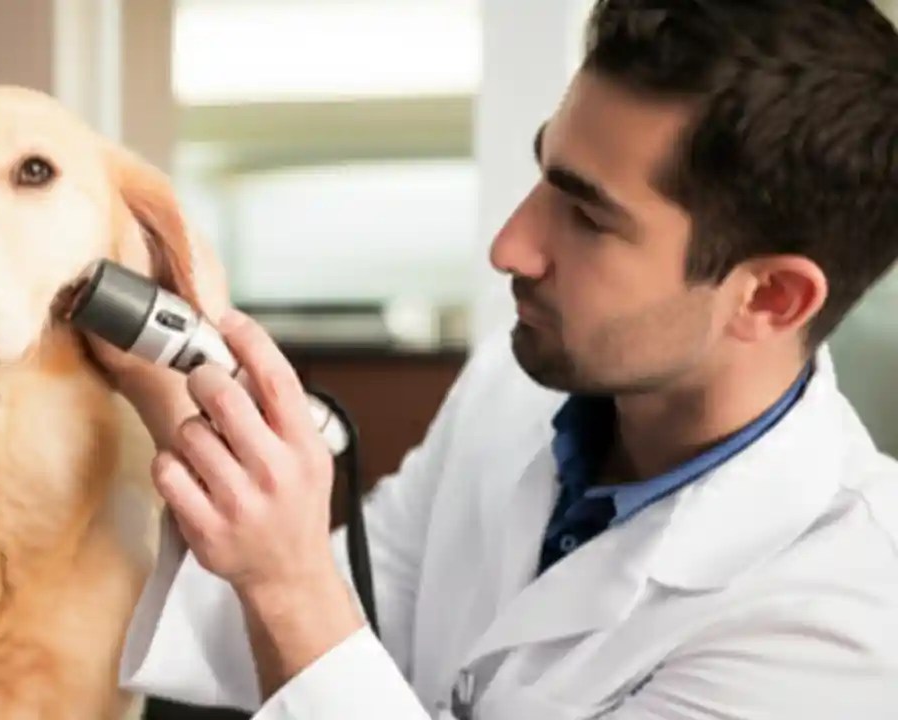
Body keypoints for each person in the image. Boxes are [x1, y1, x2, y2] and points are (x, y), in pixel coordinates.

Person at [83, 1, 898, 718]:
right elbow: (317, 629)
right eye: (545, 174)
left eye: (588, 216)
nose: (511, 246)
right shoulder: (513, 391)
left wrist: (287, 581)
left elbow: (300, 604)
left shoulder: (846, 615)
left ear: (771, 299)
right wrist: (162, 377)